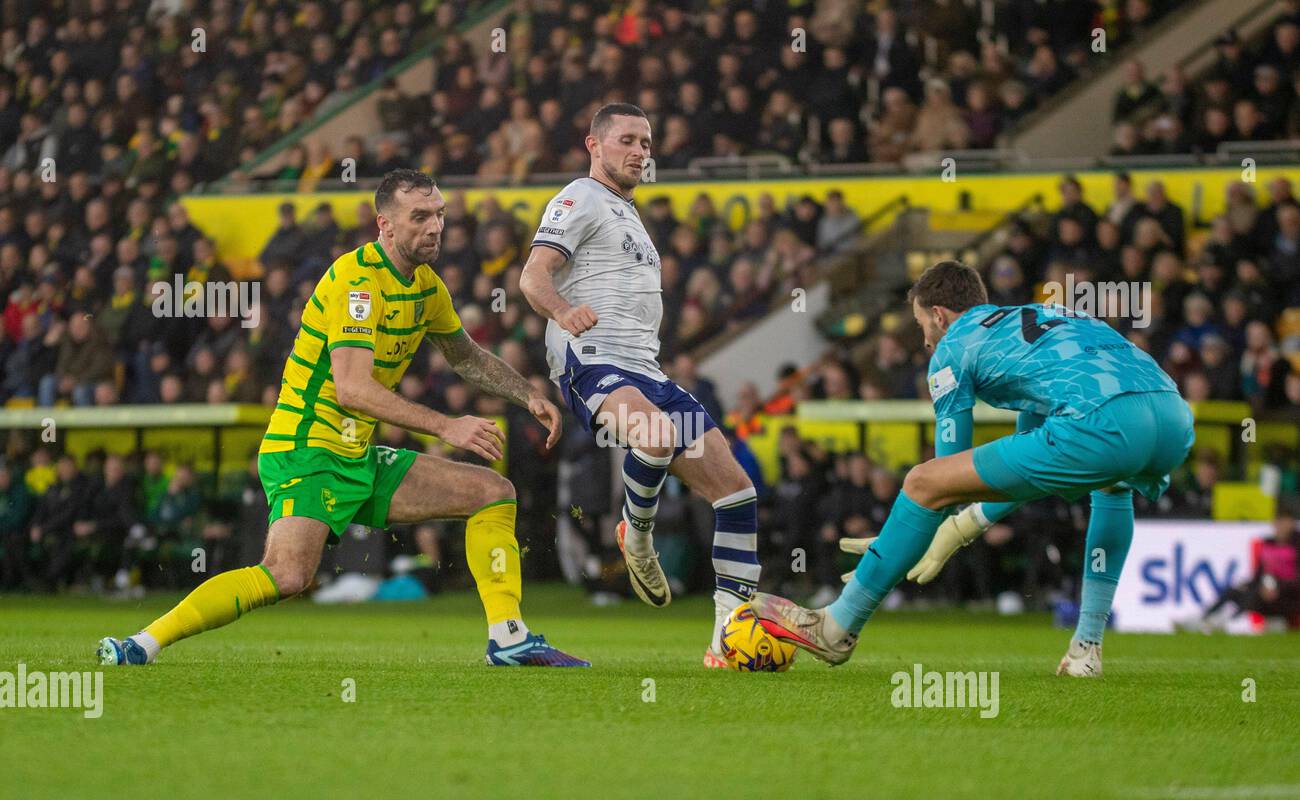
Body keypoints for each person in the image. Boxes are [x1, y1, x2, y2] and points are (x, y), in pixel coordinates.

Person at [99, 169, 586, 668]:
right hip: (306, 449)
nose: (435, 226)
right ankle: (142, 644)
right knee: (287, 576)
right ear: (385, 225)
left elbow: (465, 356)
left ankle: (509, 637)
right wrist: (446, 425)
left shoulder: (426, 286)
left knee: (492, 492)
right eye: (420, 216)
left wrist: (528, 395)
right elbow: (352, 390)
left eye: (439, 213)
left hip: (357, 453)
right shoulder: (357, 282)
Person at [753, 260, 1194, 677]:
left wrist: (908, 534)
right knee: (1113, 488)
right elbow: (1031, 468)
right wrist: (963, 527)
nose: (925, 341)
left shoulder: (953, 347)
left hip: (1102, 422)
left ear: (940, 316)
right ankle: (1086, 650)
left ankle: (837, 626)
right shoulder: (1040, 317)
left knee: (921, 481)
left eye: (922, 325)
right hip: (1171, 415)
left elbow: (946, 475)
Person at [520, 103, 761, 668]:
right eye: (627, 140)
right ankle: (639, 536)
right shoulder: (579, 197)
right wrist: (562, 311)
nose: (640, 151)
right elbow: (532, 276)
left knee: (737, 493)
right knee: (651, 434)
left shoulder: (630, 215)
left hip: (648, 372)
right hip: (595, 362)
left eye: (647, 143)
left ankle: (728, 639)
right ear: (594, 144)